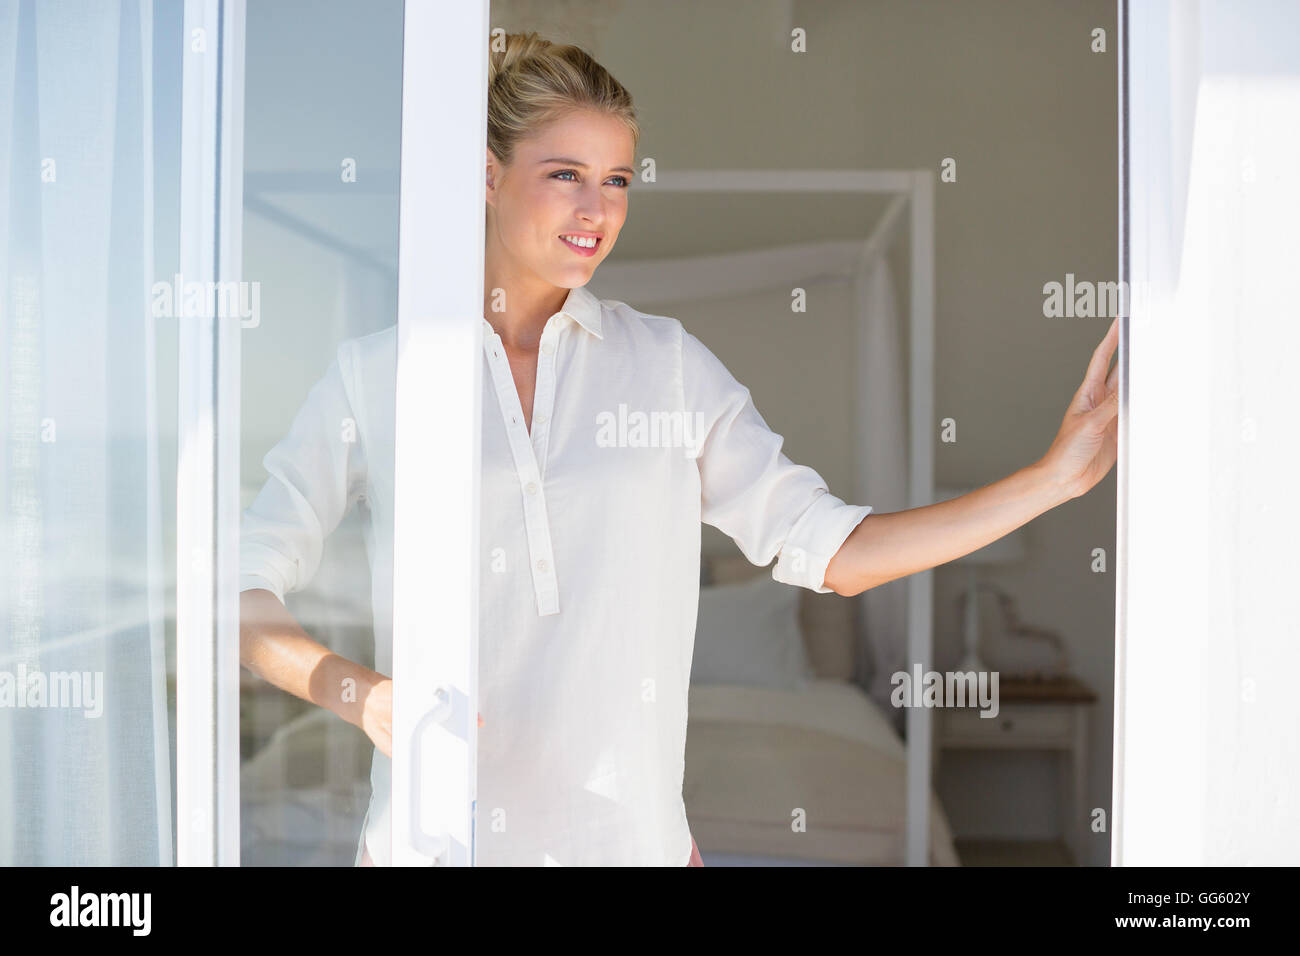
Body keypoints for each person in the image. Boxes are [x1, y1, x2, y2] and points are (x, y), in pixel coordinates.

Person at [237, 31, 1120, 868]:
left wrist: (1054, 479)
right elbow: (240, 588)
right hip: (429, 850)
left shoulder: (664, 366)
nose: (597, 210)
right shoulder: (379, 376)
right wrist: (363, 696)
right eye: (566, 175)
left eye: (617, 179)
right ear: (488, 174)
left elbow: (834, 552)